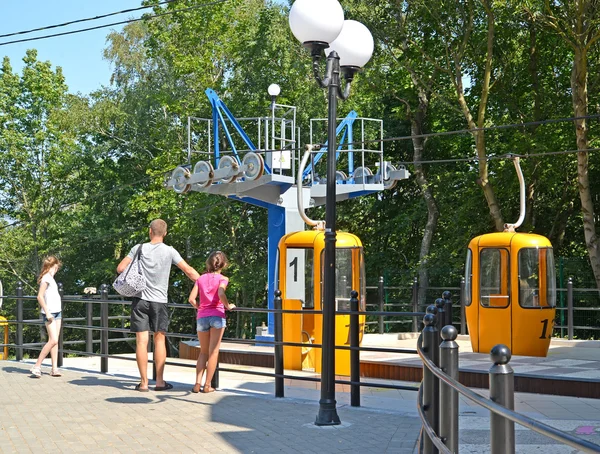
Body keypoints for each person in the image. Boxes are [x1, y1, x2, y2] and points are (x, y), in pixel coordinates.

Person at [117, 219, 200, 392]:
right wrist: (206, 282)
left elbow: (120, 268)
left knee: (141, 341)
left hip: (139, 299)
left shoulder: (138, 248)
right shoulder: (170, 251)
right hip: (159, 301)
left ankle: (144, 383)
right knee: (159, 339)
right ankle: (160, 382)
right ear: (165, 233)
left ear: (150, 231)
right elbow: (189, 271)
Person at [188, 251, 235, 393]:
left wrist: (200, 308)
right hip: (217, 316)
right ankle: (207, 386)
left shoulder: (200, 279)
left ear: (208, 263)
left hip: (202, 317)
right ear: (224, 264)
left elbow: (191, 299)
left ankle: (197, 384)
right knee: (213, 352)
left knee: (203, 352)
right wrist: (228, 306)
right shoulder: (223, 279)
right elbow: (221, 293)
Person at [30, 256, 63, 378]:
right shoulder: (46, 278)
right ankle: (37, 365)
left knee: (55, 341)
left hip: (57, 311)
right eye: (56, 267)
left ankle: (54, 368)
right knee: (53, 340)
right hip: (50, 313)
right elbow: (40, 296)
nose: (56, 269)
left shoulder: (52, 279)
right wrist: (47, 312)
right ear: (52, 266)